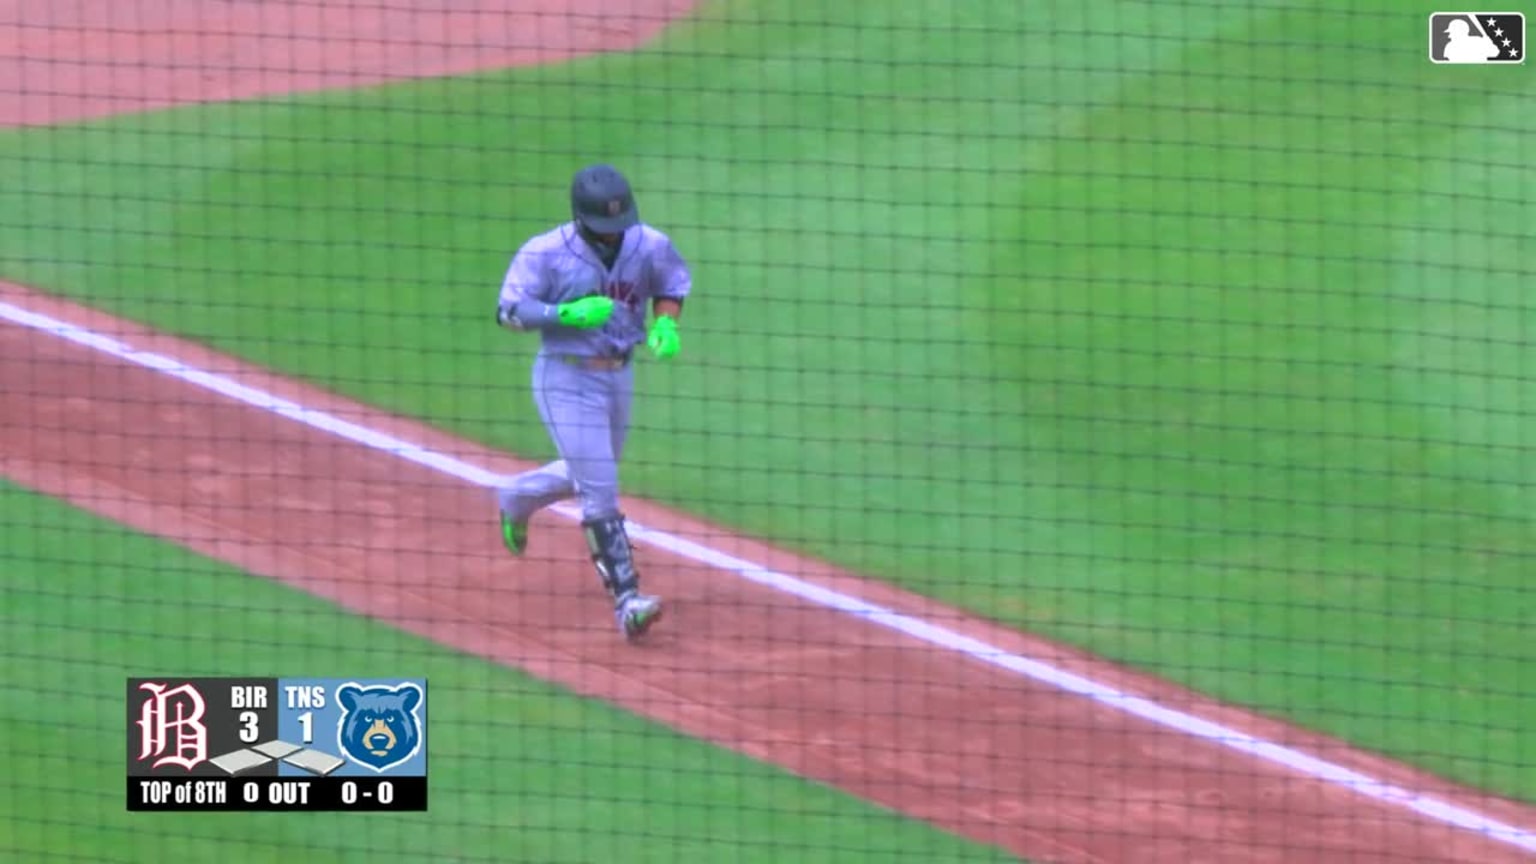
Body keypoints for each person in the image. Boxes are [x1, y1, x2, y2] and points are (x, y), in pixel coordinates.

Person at [492, 164, 690, 641]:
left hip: (619, 375)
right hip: (565, 377)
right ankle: (628, 602)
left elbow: (670, 284)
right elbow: (508, 311)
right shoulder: (545, 252)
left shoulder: (648, 243)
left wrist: (667, 323)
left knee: (595, 468)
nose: (614, 234)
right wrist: (562, 313)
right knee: (600, 489)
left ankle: (517, 497)